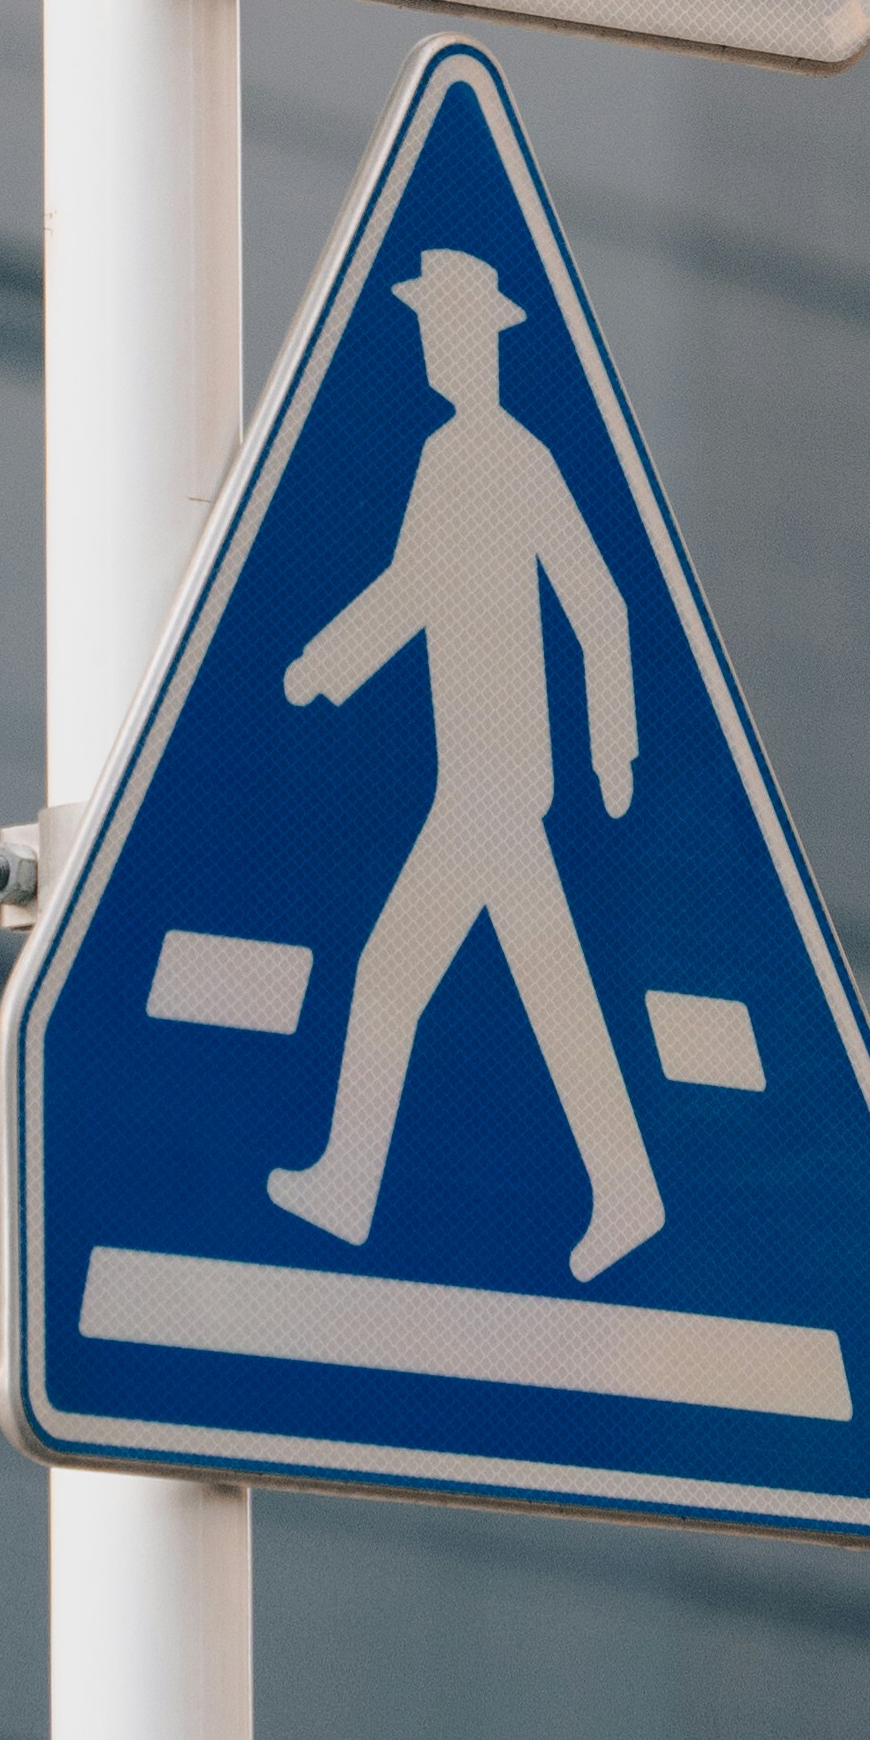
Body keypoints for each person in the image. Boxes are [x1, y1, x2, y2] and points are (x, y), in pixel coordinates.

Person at [269, 246, 666, 1282]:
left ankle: (354, 1188)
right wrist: (325, 664)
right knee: (528, 984)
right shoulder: (451, 455)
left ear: (478, 340)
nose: (429, 343)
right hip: (482, 782)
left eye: (442, 327)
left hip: (493, 783)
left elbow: (601, 602)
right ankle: (621, 1190)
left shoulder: (505, 456)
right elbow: (412, 586)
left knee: (397, 972)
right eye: (426, 327)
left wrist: (612, 749)